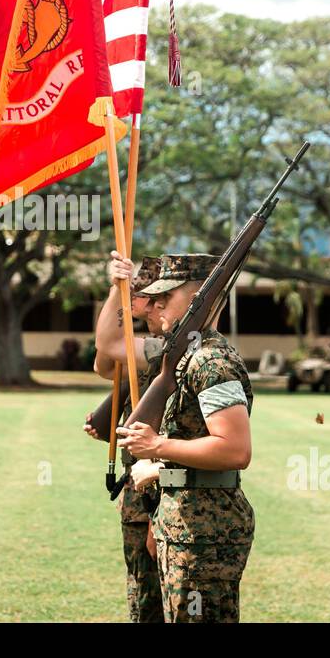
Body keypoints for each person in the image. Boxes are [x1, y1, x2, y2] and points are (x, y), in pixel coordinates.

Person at [117, 252, 255, 624]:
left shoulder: (211, 362)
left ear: (201, 301)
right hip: (182, 521)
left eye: (167, 297)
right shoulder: (183, 358)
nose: (155, 305)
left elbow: (235, 448)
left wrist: (156, 446)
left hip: (205, 532)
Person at [85, 255, 166, 623]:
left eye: (142, 294)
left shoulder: (169, 349)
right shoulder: (144, 344)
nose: (136, 300)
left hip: (165, 486)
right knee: (144, 598)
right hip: (138, 489)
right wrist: (113, 292)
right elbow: (103, 358)